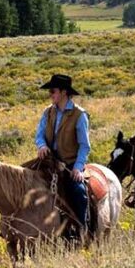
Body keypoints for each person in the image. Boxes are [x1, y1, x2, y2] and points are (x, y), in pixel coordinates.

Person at [34, 73, 92, 239]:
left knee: (79, 193)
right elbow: (39, 135)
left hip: (69, 165)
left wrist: (78, 168)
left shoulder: (79, 115)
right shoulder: (48, 112)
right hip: (48, 162)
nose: (50, 94)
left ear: (64, 92)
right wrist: (42, 145)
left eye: (53, 91)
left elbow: (84, 145)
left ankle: (83, 231)